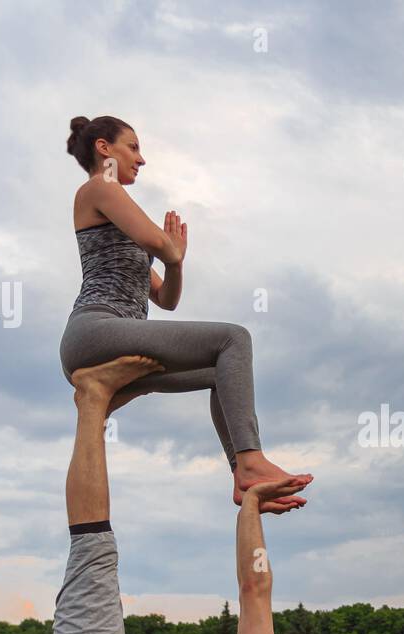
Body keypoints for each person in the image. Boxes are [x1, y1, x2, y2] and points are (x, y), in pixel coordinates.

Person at [37, 356, 381, 634]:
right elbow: (250, 606)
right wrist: (250, 512)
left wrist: (251, 503)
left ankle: (93, 399)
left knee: (95, 550)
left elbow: (255, 588)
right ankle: (101, 400)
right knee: (95, 551)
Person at [63, 114, 305, 513]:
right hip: (94, 330)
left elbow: (167, 299)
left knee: (220, 373)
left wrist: (176, 261)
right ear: (104, 149)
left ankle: (242, 476)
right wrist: (168, 248)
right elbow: (161, 244)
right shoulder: (99, 186)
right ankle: (251, 457)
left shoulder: (116, 215)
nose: (141, 160)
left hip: (112, 335)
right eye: (134, 147)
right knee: (233, 339)